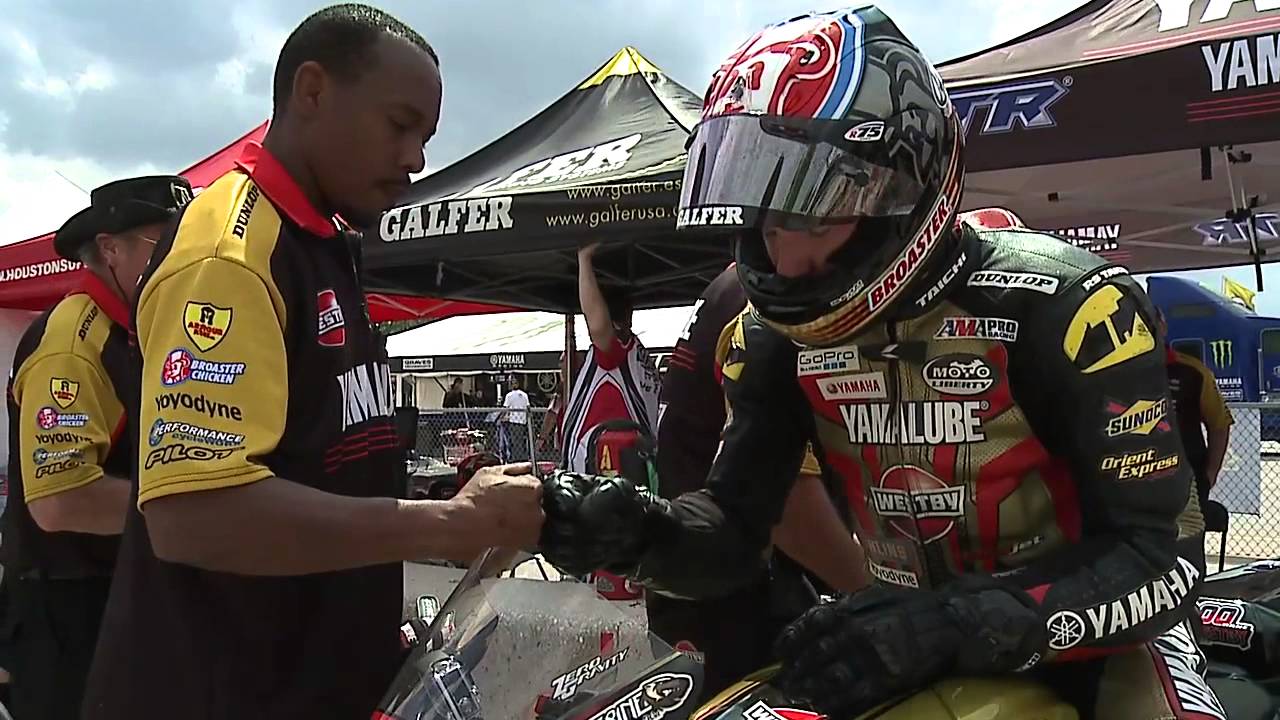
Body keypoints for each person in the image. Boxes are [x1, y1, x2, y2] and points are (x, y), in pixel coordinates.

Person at [539, 7, 1216, 720]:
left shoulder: (1071, 309)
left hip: (1096, 646)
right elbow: (736, 530)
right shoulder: (772, 338)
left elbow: (1163, 559)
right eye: (763, 215)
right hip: (904, 640)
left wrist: (954, 623)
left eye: (808, 215)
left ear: (905, 188)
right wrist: (641, 533)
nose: (780, 257)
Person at [82, 6, 543, 719]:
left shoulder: (322, 241)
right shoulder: (230, 251)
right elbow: (191, 514)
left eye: (425, 137)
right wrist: (451, 522)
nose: (416, 159)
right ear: (313, 91)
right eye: (400, 125)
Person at [0, 175, 186, 720]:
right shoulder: (73, 344)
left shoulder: (138, 329)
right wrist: (189, 507)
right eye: (165, 243)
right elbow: (60, 500)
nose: (182, 258)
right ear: (110, 249)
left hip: (119, 599)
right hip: (69, 617)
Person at [648, 263, 868, 701]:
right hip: (738, 599)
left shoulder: (744, 284)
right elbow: (784, 507)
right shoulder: (777, 300)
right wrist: (880, 595)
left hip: (696, 578)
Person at [560, 243, 660, 472]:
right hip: (634, 460)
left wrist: (584, 259)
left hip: (603, 466)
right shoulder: (638, 354)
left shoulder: (615, 351)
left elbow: (597, 325)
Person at [1157, 309, 1234, 508]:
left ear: (1163, 327)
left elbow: (1219, 424)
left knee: (1192, 528)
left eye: (1151, 324)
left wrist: (1210, 474)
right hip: (1129, 483)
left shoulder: (1193, 371)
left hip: (1187, 479)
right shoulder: (1116, 372)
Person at [501, 376, 531, 461]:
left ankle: (516, 459)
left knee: (514, 442)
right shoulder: (525, 395)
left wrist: (501, 418)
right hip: (523, 421)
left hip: (514, 421)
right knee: (521, 441)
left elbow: (505, 408)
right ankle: (521, 458)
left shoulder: (509, 395)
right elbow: (528, 407)